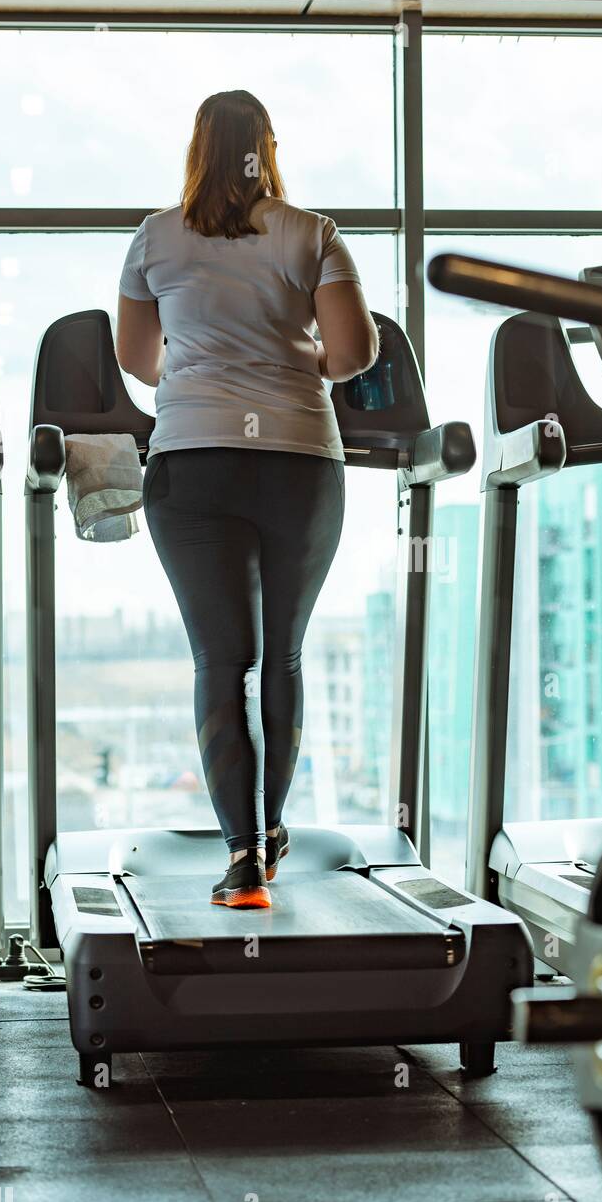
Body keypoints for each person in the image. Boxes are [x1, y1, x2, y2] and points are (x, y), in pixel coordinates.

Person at [115, 89, 379, 909]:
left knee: (218, 659)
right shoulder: (312, 233)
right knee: (283, 656)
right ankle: (269, 830)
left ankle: (243, 860)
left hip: (192, 461)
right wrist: (289, 364)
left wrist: (202, 382)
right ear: (266, 146)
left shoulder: (154, 236)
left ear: (196, 149)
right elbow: (352, 353)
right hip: (297, 456)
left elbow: (135, 357)